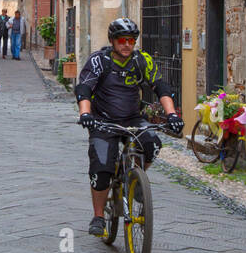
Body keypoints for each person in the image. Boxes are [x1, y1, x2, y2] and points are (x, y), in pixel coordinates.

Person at [76, 18, 184, 237]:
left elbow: (161, 86)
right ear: (112, 41)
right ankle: (98, 216)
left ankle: (134, 178)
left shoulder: (141, 60)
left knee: (152, 143)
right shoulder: (99, 61)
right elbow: (85, 89)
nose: (127, 44)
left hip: (133, 118)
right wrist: (85, 114)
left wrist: (172, 114)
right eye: (122, 40)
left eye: (131, 40)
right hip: (103, 120)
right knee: (102, 169)